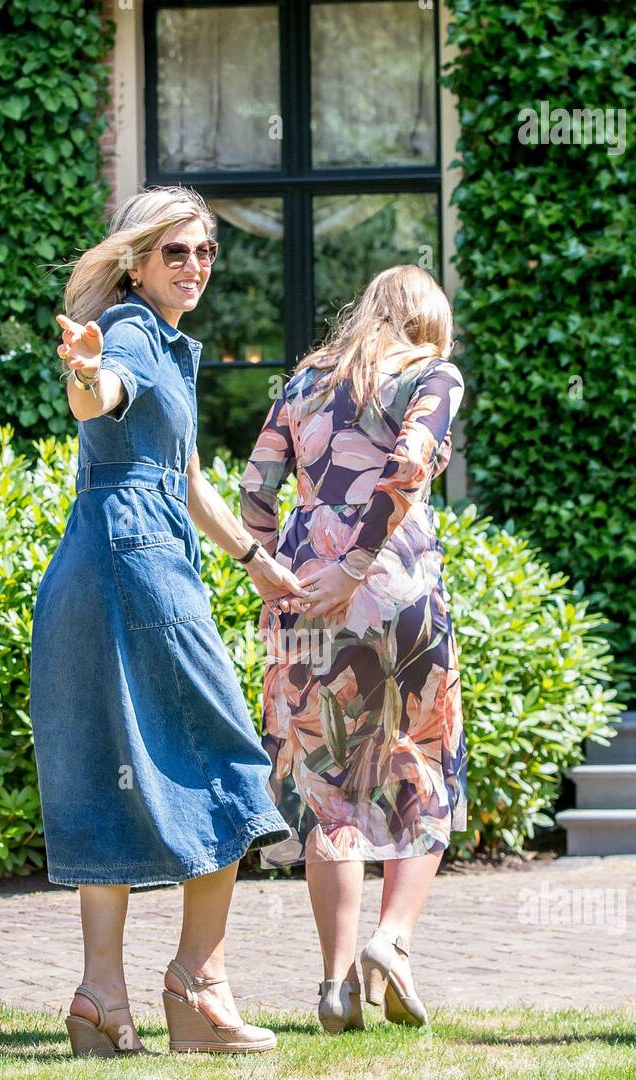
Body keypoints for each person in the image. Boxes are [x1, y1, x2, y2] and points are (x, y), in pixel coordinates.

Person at [30, 185, 304, 1056]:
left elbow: (183, 475)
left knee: (108, 765)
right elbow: (100, 394)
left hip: (93, 561)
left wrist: (256, 563)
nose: (195, 267)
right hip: (139, 563)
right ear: (136, 261)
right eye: (176, 253)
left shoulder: (157, 340)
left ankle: (99, 998)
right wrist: (84, 371)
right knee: (229, 757)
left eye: (206, 253)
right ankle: (200, 984)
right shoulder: (131, 335)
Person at [240, 266, 467, 1034]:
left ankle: (335, 985)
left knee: (326, 779)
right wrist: (359, 562)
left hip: (304, 585)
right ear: (426, 322)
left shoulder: (303, 381)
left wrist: (274, 570)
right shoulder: (432, 373)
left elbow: (253, 488)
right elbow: (411, 465)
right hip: (394, 578)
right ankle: (392, 943)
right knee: (421, 757)